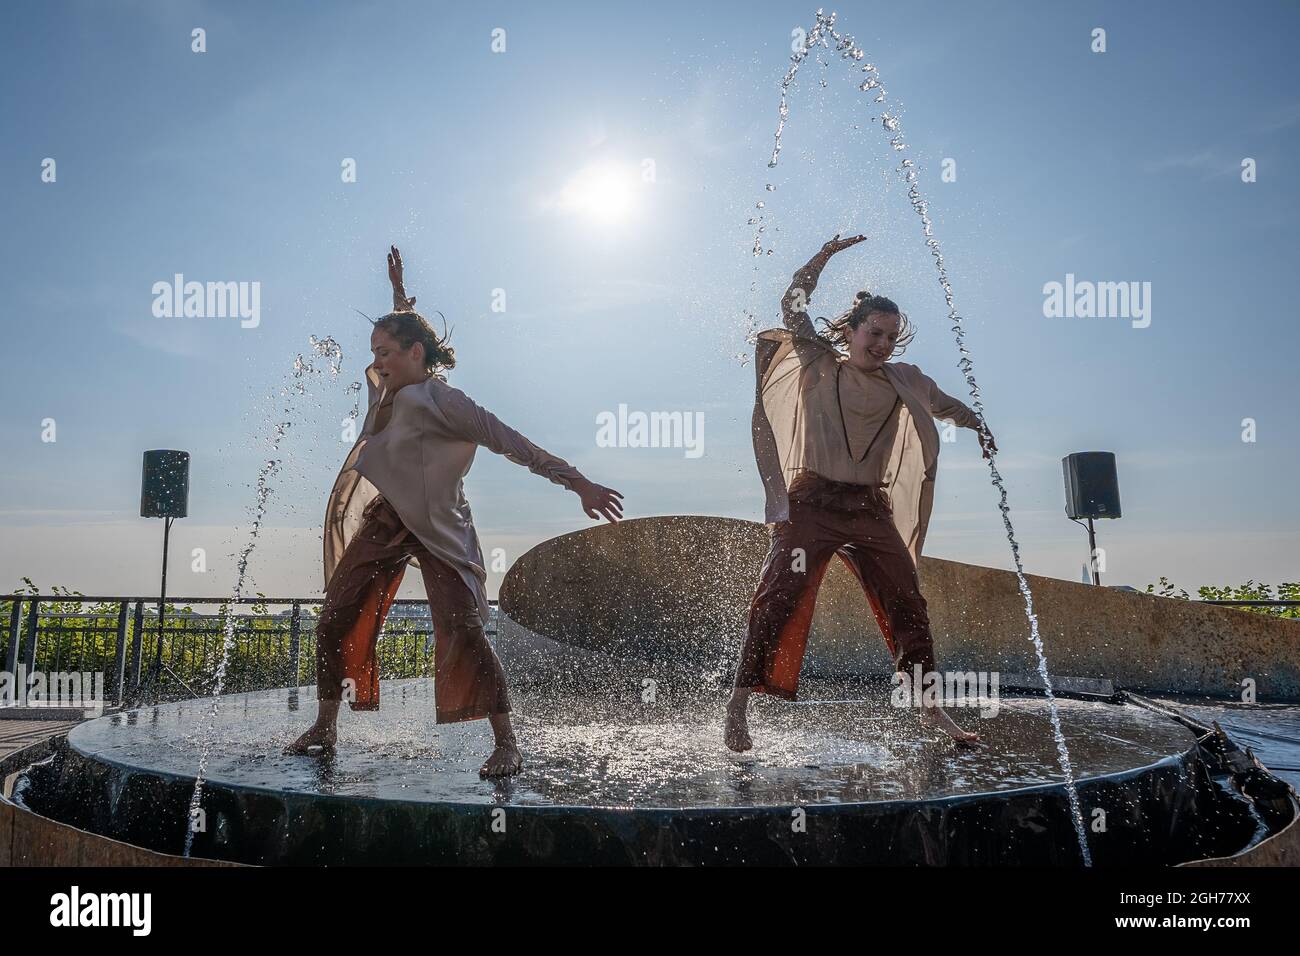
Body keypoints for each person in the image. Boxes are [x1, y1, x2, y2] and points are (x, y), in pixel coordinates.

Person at [287, 247, 624, 777]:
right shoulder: (387, 388)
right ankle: (325, 726)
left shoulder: (449, 404)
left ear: (415, 353)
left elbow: (514, 443)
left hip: (441, 528)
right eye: (373, 351)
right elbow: (404, 334)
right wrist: (398, 294)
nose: (377, 361)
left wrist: (577, 482)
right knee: (334, 617)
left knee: (464, 628)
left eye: (386, 352)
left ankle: (506, 741)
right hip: (387, 519)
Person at [726, 234, 995, 750]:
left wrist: (977, 425)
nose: (883, 345)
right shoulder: (817, 362)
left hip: (870, 510)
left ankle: (931, 713)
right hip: (813, 504)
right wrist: (823, 256)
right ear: (850, 332)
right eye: (875, 333)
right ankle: (738, 705)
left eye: (892, 337)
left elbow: (947, 406)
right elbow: (793, 303)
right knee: (780, 592)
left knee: (908, 603)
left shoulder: (906, 379)